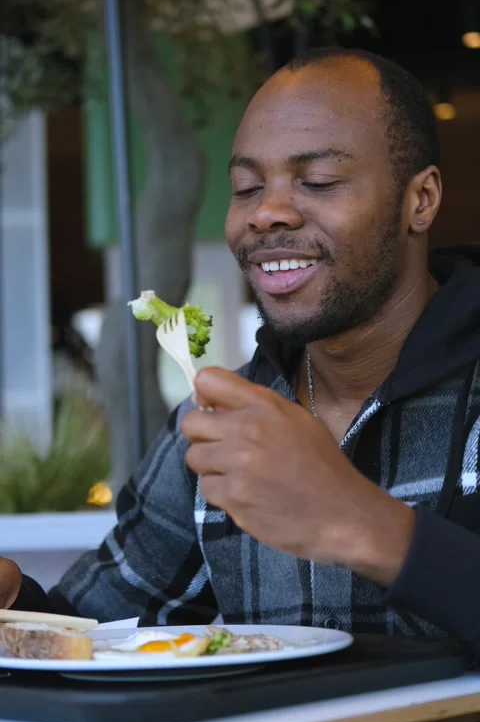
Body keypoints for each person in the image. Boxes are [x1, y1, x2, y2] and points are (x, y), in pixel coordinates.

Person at [2, 49, 480, 658]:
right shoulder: (219, 427)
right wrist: (17, 604)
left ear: (422, 200)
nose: (266, 213)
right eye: (246, 187)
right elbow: (102, 635)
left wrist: (364, 523)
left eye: (319, 182)